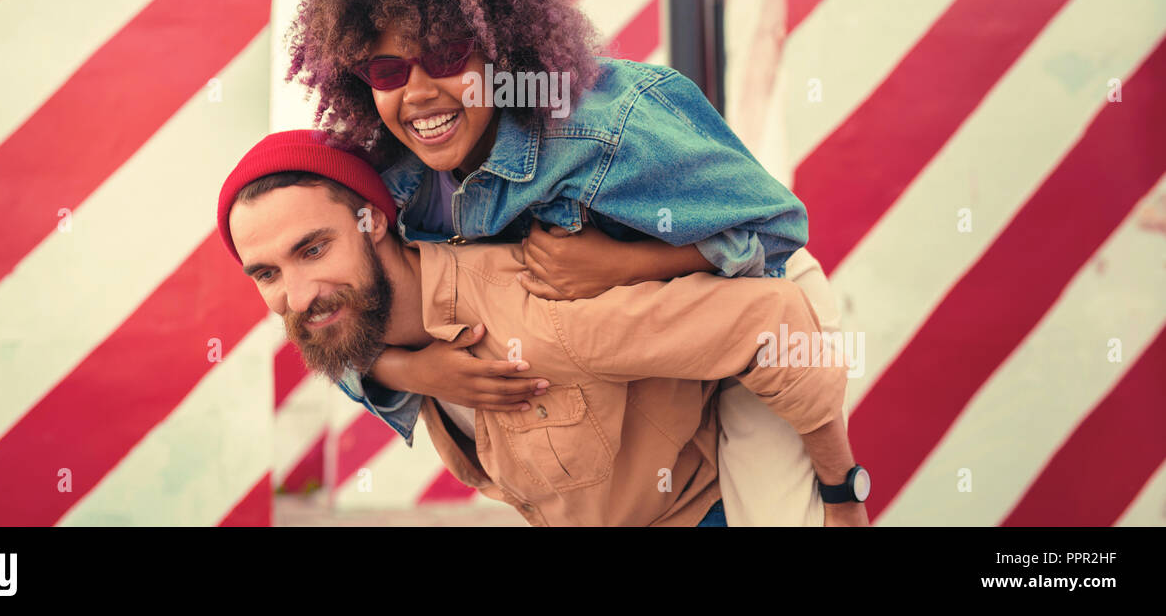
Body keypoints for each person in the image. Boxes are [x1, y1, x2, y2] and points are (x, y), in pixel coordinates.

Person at [284, 0, 855, 524]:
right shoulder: (393, 186)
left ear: (499, 53)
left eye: (447, 56)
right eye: (389, 69)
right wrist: (414, 369)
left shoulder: (603, 129)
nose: (419, 92)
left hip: (764, 301)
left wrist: (623, 264)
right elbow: (336, 318)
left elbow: (776, 232)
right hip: (661, 368)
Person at [217, 130, 868, 526]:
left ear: (374, 222)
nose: (296, 296)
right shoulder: (366, 329)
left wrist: (842, 491)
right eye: (265, 274)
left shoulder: (535, 309)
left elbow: (774, 321)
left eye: (312, 249)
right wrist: (408, 370)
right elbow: (346, 358)